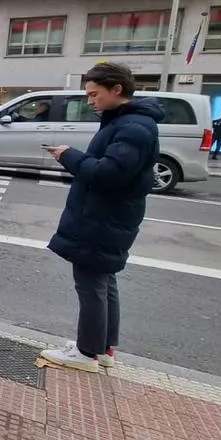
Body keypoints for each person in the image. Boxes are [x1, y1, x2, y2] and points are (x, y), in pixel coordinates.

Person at [41, 62, 162, 372]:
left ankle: (86, 353)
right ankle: (102, 348)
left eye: (95, 94)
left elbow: (109, 173)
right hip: (108, 215)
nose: (91, 101)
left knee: (91, 283)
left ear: (116, 89)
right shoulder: (127, 122)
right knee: (104, 281)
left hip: (102, 217)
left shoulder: (132, 126)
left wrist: (69, 155)